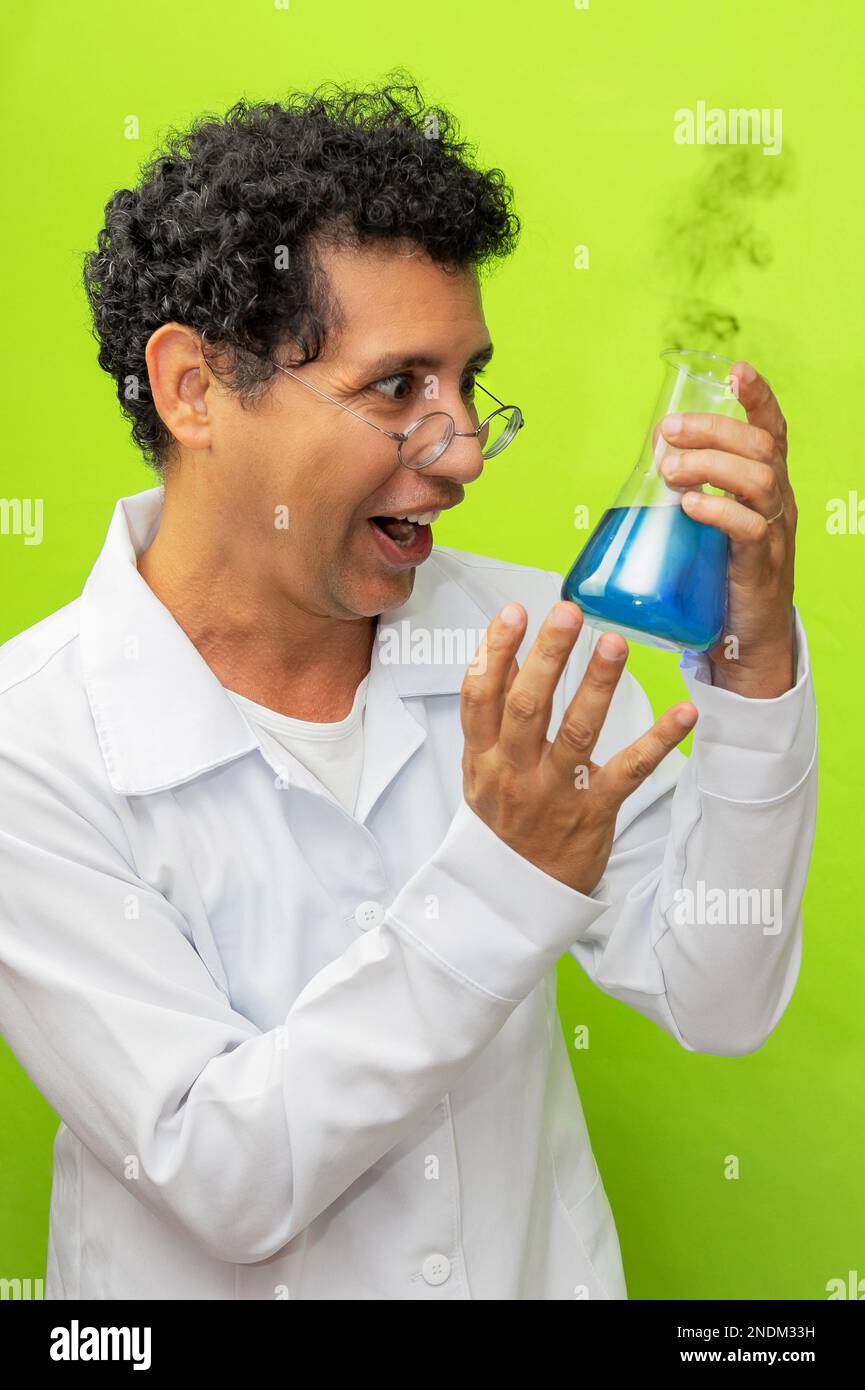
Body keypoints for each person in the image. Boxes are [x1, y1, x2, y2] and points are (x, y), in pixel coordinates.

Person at [0, 78, 817, 1300]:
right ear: (194, 388)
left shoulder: (526, 635)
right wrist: (510, 870)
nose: (464, 450)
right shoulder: (34, 739)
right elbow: (223, 1172)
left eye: (466, 382)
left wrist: (753, 660)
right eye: (397, 389)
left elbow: (722, 990)